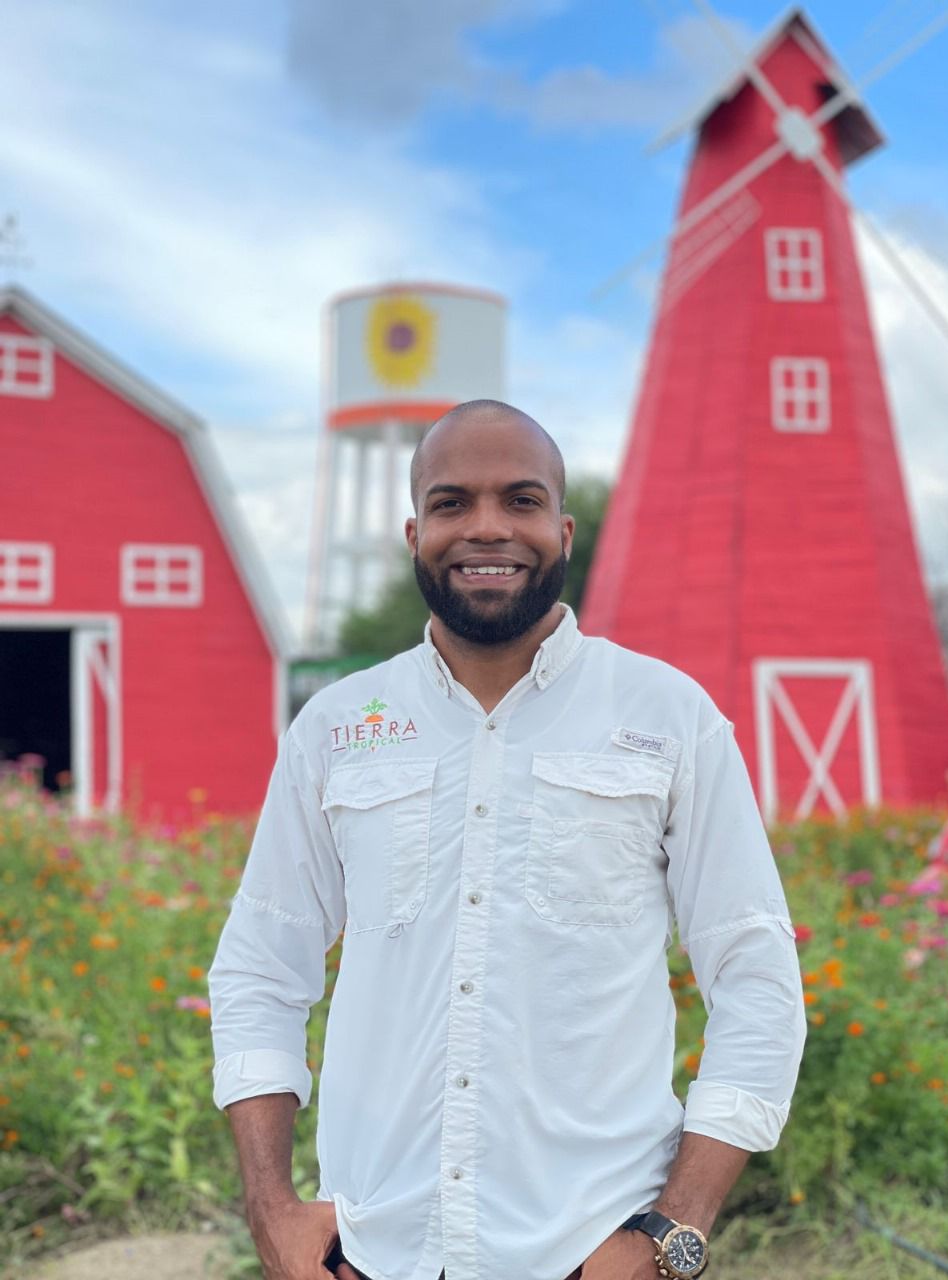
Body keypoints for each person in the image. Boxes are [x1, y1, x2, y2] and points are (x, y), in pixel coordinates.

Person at [209, 400, 806, 1280]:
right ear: (416, 531)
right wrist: (271, 1208)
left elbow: (757, 981)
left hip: (593, 1249)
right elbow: (261, 968)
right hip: (376, 1249)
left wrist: (671, 1236)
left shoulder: (670, 719)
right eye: (453, 503)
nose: (486, 527)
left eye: (520, 500)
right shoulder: (337, 726)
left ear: (563, 528)